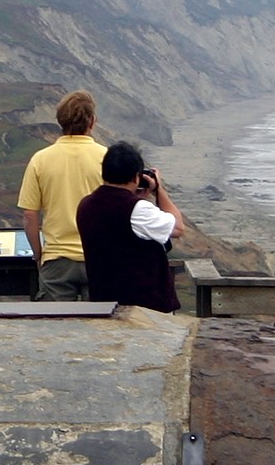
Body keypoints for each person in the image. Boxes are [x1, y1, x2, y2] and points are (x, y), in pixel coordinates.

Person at [18, 90, 106, 300]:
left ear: (60, 121)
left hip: (56, 259)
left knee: (56, 319)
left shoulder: (40, 160)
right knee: (102, 318)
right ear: (92, 121)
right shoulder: (106, 157)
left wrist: (39, 254)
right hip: (98, 257)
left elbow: (30, 215)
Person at [77, 141, 183, 312]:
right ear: (136, 177)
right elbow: (178, 227)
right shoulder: (137, 209)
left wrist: (137, 198)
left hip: (104, 303)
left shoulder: (85, 205)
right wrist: (158, 190)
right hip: (143, 308)